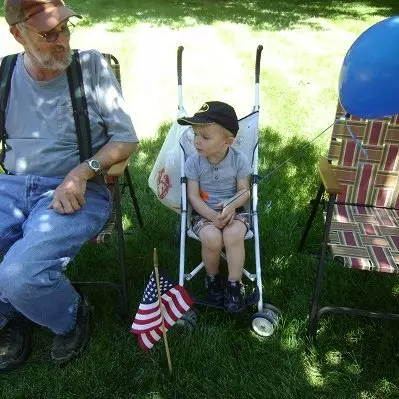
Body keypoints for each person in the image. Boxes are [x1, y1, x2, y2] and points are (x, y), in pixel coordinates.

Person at [0, 0, 139, 372]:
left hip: (77, 189)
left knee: (20, 273)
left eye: (65, 28)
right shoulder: (5, 73)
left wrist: (81, 172)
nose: (62, 40)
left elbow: (126, 140)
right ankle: (13, 312)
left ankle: (70, 316)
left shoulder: (90, 66)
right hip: (10, 186)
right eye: (48, 34)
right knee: (15, 274)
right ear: (18, 34)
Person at [178, 101, 252, 313]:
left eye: (205, 137)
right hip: (204, 212)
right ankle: (212, 278)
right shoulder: (194, 163)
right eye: (195, 135)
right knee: (212, 238)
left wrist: (230, 205)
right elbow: (193, 196)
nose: (197, 142)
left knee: (233, 235)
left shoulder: (240, 160)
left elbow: (244, 191)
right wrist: (212, 216)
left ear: (228, 141)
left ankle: (234, 284)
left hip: (235, 211)